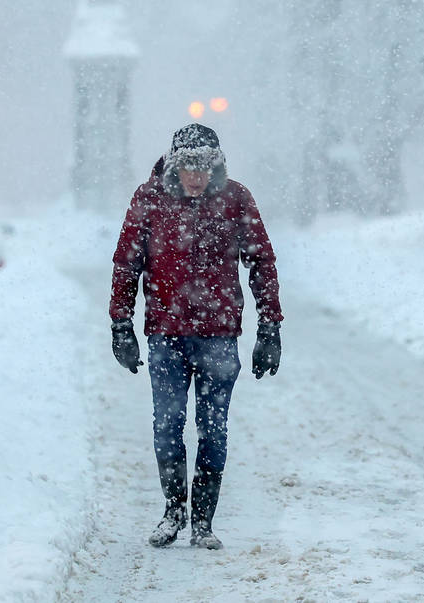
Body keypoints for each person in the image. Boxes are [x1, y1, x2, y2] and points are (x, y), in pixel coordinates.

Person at [109, 123, 283, 550]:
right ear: (174, 165)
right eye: (187, 166)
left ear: (217, 165)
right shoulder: (148, 199)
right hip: (165, 335)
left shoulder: (235, 199)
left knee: (213, 428)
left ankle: (203, 521)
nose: (195, 176)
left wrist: (270, 328)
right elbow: (126, 264)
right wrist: (120, 325)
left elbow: (261, 261)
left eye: (204, 166)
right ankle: (173, 511)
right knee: (167, 425)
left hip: (218, 336)